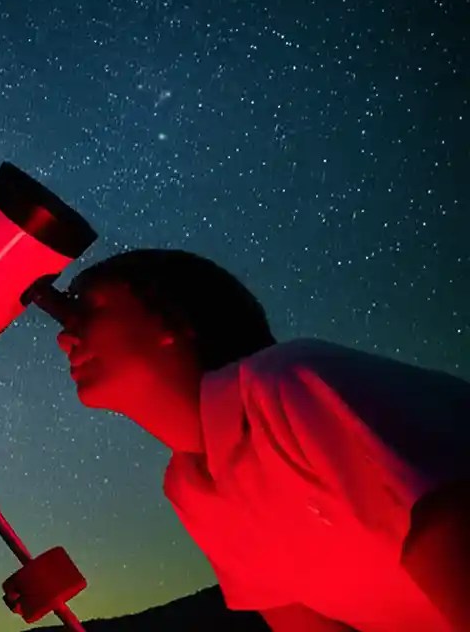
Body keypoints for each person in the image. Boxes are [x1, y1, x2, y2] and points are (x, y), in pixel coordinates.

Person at [52, 249, 470, 632]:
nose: (64, 337)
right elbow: (299, 622)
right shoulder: (189, 487)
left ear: (173, 320)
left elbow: (449, 522)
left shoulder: (290, 384)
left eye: (90, 311)